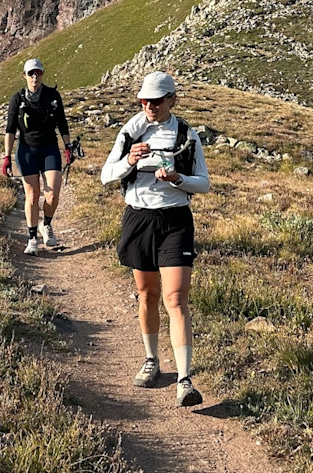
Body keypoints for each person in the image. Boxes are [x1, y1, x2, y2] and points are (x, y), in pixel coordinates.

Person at [100, 71, 210, 407]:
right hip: (139, 218)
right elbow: (107, 175)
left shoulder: (186, 134)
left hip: (175, 220)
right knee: (146, 294)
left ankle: (185, 380)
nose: (150, 106)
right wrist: (129, 161)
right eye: (145, 100)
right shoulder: (131, 130)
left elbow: (203, 183)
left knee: (175, 299)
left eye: (157, 100)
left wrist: (177, 179)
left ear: (172, 99)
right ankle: (151, 360)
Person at [2, 58, 75, 255]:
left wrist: (67, 146)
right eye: (31, 73)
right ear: (24, 76)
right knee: (32, 194)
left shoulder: (53, 96)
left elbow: (62, 123)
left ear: (42, 74)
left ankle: (47, 224)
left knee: (52, 193)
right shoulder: (17, 99)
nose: (35, 77)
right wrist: (6, 156)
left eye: (38, 73)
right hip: (27, 150)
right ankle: (32, 238)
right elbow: (10, 130)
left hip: (50, 148)